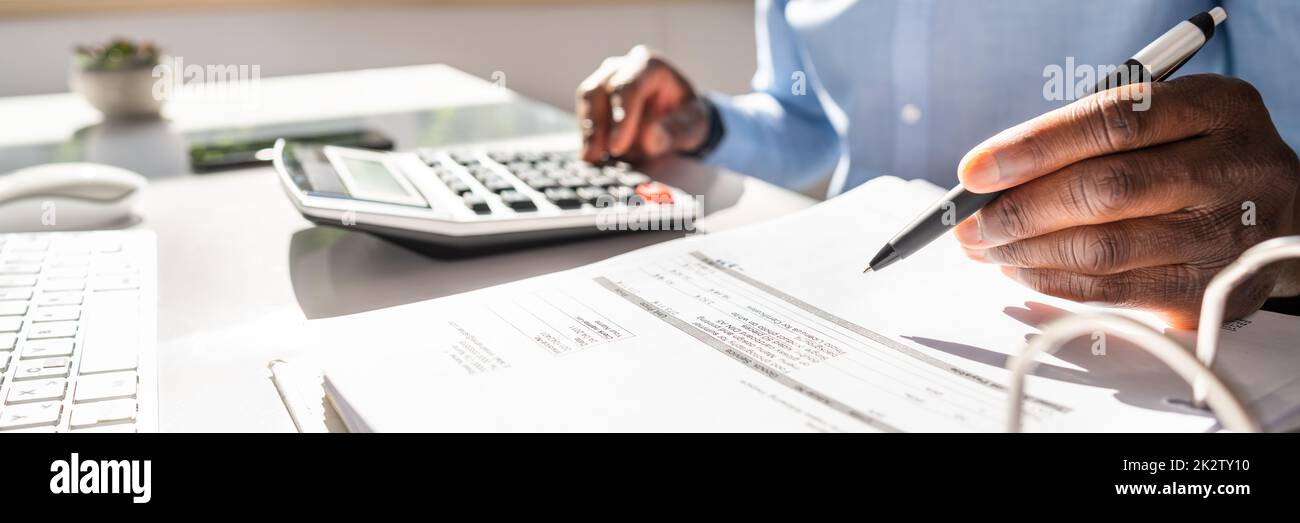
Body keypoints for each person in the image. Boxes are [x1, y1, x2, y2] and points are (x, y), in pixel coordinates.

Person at [575, 0, 1300, 328]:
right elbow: (809, 124)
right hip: (849, 304)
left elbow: (1278, 155)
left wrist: (1277, 229)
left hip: (1113, 324)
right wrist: (702, 123)